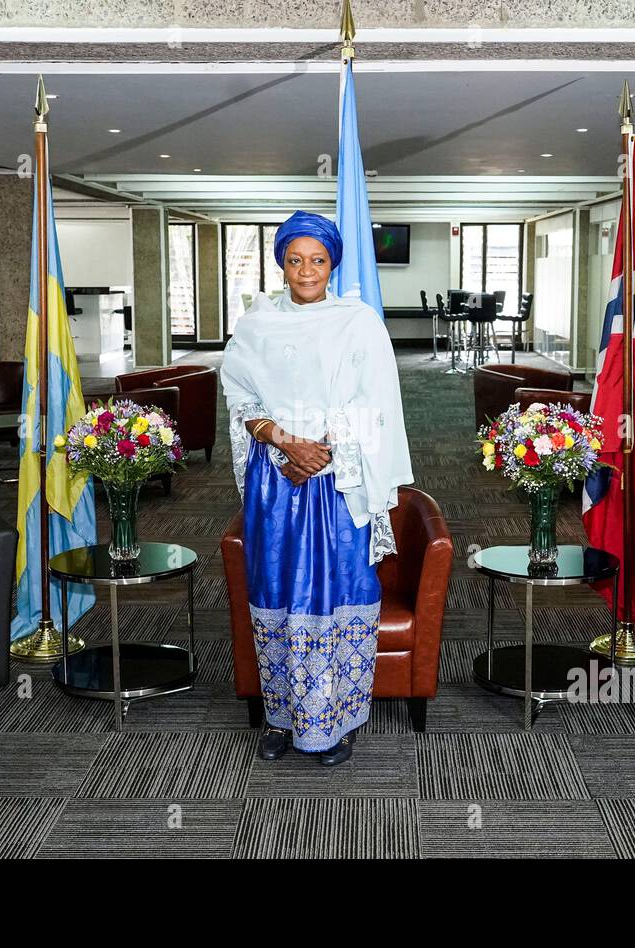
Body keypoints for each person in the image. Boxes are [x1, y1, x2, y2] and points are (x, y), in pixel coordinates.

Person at [221, 210, 413, 766]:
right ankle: (282, 715)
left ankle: (339, 720)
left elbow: (373, 403)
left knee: (336, 592)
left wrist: (318, 451)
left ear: (333, 265)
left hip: (337, 483)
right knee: (276, 591)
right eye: (296, 259)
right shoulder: (255, 324)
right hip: (275, 483)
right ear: (281, 262)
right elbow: (239, 397)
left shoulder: (358, 322)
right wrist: (284, 443)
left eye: (318, 260)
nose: (307, 270)